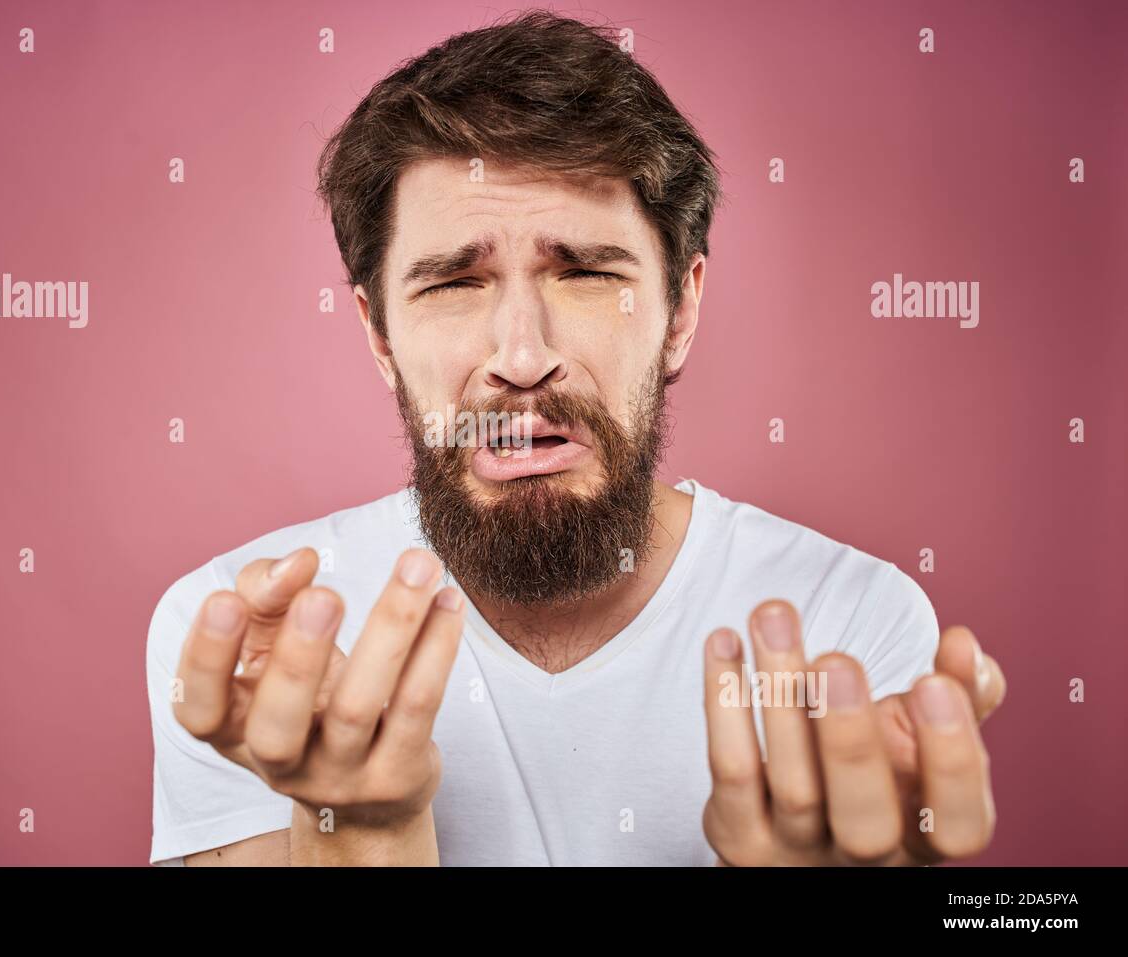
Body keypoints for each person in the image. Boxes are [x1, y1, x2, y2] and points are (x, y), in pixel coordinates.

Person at [146, 11, 1005, 866]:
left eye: (589, 272)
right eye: (452, 282)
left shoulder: (844, 623)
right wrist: (361, 824)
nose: (522, 359)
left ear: (681, 311)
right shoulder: (245, 648)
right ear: (379, 337)